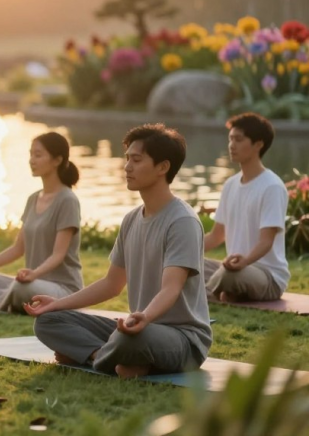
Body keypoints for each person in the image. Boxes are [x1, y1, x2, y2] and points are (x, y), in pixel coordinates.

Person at [27, 124, 212, 379]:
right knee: (48, 321)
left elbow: (171, 288)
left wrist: (145, 318)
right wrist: (57, 304)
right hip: (138, 328)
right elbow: (111, 284)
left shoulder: (182, 221)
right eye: (127, 159)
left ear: (163, 167)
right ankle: (105, 357)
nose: (127, 167)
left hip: (182, 339)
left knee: (132, 338)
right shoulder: (131, 219)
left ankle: (102, 356)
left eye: (136, 160)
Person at [0, 132, 83, 312]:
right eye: (30, 154)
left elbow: (58, 255)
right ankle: (9, 301)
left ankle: (0, 304)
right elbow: (18, 248)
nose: (31, 160)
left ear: (57, 160)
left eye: (38, 155)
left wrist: (34, 274)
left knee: (20, 287)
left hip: (62, 288)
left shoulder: (67, 200)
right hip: (32, 282)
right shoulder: (33, 199)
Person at [203, 113, 289, 302]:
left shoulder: (272, 186)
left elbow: (266, 242)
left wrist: (245, 261)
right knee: (182, 265)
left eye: (239, 140)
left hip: (267, 276)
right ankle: (218, 292)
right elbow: (216, 236)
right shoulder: (230, 185)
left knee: (228, 276)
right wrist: (180, 251)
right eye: (230, 139)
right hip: (233, 268)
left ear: (258, 144)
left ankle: (201, 294)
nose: (232, 145)